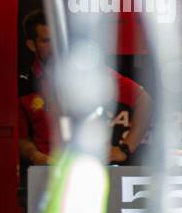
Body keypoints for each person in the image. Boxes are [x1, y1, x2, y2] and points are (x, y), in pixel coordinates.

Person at [18, 10, 151, 166]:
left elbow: (144, 101)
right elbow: (20, 138)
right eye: (47, 41)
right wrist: (36, 156)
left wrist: (124, 150)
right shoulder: (24, 84)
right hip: (47, 173)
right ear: (31, 45)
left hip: (92, 170)